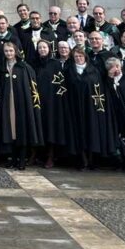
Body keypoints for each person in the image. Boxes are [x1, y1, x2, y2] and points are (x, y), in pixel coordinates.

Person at [65, 46, 116, 170]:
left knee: (92, 132)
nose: (78, 58)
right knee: (79, 132)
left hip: (91, 108)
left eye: (80, 56)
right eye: (76, 56)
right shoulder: (69, 71)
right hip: (75, 108)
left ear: (85, 57)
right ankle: (82, 160)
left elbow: (101, 87)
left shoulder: (94, 70)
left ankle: (92, 160)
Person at [0, 42, 42, 170]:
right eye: (6, 51)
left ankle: (22, 159)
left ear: (15, 51)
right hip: (7, 102)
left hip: (21, 103)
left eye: (11, 50)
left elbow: (31, 87)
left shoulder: (24, 67)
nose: (8, 53)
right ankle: (13, 158)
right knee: (10, 129)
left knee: (21, 128)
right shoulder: (1, 67)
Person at [32, 40, 70, 169]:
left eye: (44, 47)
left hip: (52, 102)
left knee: (51, 128)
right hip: (37, 101)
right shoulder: (34, 64)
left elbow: (61, 84)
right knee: (38, 126)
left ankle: (50, 156)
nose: (42, 49)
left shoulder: (55, 64)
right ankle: (35, 154)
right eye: (40, 47)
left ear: (49, 49)